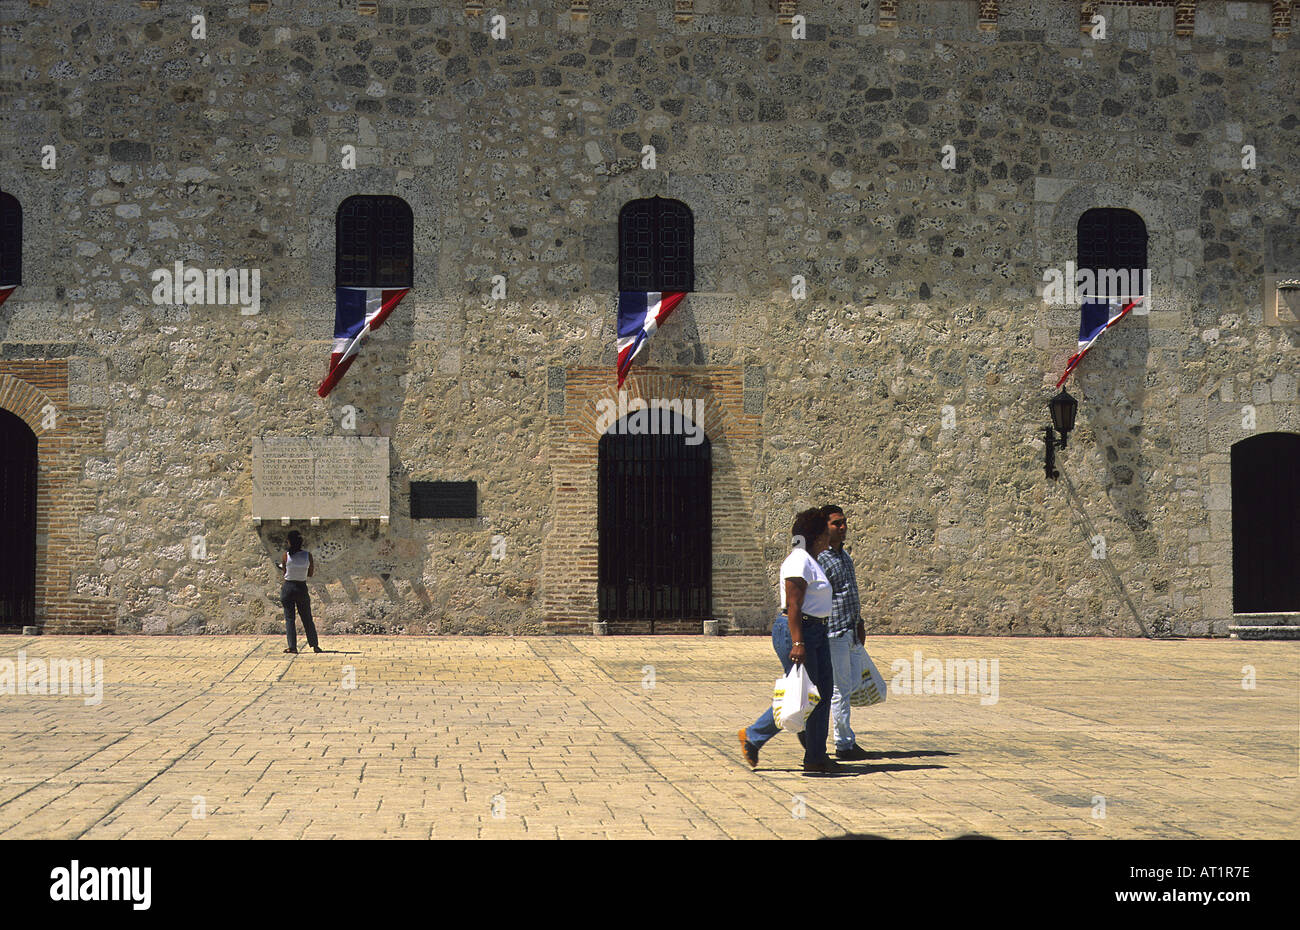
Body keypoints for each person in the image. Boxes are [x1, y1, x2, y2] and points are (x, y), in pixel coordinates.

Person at [738, 508, 843, 773]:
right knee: (806, 694)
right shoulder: (799, 561)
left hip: (817, 630)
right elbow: (794, 604)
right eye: (827, 529)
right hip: (799, 631)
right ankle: (754, 736)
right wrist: (798, 642)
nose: (833, 532)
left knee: (820, 694)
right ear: (817, 535)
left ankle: (815, 756)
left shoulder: (813, 560)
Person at [818, 505, 869, 760]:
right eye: (836, 523)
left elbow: (850, 592)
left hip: (850, 629)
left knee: (849, 685)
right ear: (825, 527)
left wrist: (859, 622)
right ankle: (844, 743)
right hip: (834, 631)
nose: (842, 527)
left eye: (844, 522)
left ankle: (844, 739)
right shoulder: (822, 559)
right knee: (840, 689)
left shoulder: (844, 556)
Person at [278, 530, 321, 654]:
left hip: (288, 587)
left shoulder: (286, 556)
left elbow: (285, 572)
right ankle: (315, 645)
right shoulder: (308, 556)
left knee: (289, 618)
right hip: (301, 587)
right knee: (307, 617)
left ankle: (292, 646)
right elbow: (310, 573)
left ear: (289, 542)